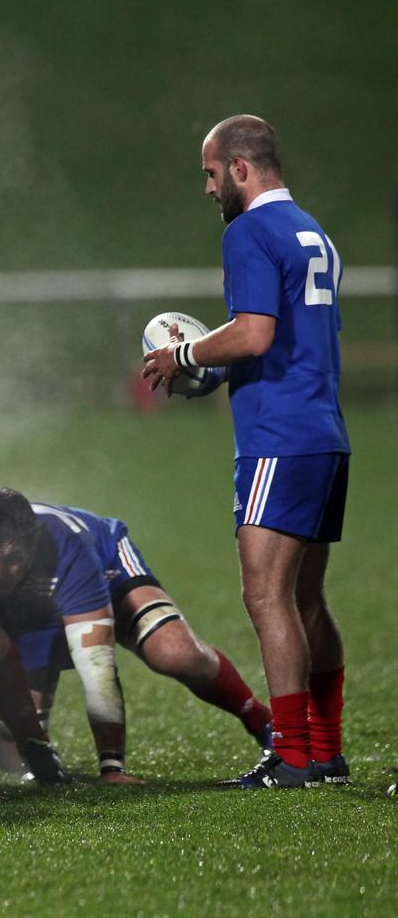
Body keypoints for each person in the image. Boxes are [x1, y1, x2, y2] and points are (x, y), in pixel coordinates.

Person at [143, 115, 349, 788]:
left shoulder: (250, 231)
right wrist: (211, 369)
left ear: (239, 167)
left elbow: (255, 334)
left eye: (210, 173)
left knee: (266, 596)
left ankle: (291, 754)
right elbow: (287, 342)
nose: (208, 189)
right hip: (325, 434)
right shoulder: (313, 231)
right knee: (308, 601)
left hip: (277, 441)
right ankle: (325, 752)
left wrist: (182, 354)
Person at [0, 489, 273, 782]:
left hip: (104, 566)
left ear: (31, 548)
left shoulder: (68, 549)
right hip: (25, 607)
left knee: (175, 653)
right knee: (12, 762)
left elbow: (96, 664)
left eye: (11, 560)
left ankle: (264, 723)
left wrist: (111, 766)